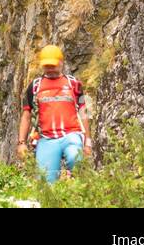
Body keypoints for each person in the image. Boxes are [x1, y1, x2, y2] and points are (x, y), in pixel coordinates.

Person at [17, 45, 91, 183]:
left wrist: (88, 143)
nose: (50, 69)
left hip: (72, 135)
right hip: (46, 138)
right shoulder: (34, 86)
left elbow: (84, 113)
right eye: (47, 66)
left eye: (53, 65)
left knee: (76, 159)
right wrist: (21, 143)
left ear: (61, 63)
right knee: (45, 182)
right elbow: (26, 115)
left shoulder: (74, 84)